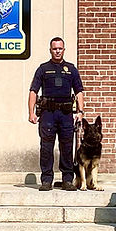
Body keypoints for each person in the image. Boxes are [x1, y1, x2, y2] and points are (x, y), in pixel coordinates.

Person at [28, 37, 85, 191]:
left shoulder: (71, 69)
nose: (57, 51)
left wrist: (80, 111)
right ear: (50, 50)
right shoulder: (43, 69)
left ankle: (67, 179)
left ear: (64, 50)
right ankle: (47, 180)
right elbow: (33, 91)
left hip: (66, 114)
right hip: (48, 114)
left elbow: (79, 91)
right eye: (55, 48)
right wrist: (31, 113)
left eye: (60, 48)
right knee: (46, 147)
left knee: (67, 147)